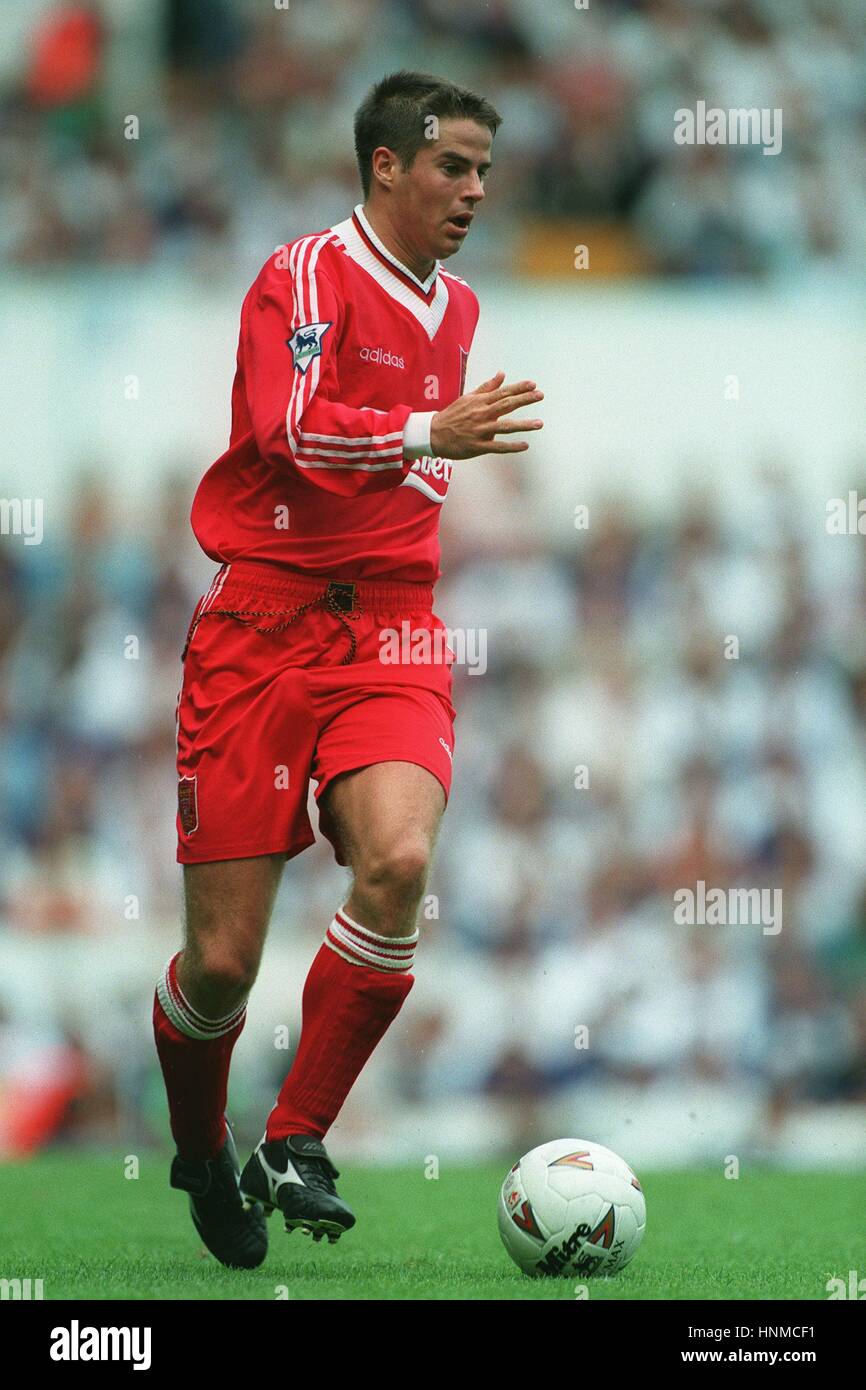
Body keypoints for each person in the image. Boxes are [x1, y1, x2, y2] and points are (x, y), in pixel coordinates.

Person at [153, 70, 544, 1268]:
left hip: (392, 628)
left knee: (401, 858)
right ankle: (202, 1147)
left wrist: (434, 459)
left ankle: (297, 1136)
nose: (474, 189)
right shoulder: (301, 276)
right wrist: (432, 435)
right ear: (387, 166)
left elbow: (406, 468)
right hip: (260, 628)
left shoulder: (460, 307)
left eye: (483, 169)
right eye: (451, 167)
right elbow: (290, 436)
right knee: (220, 967)